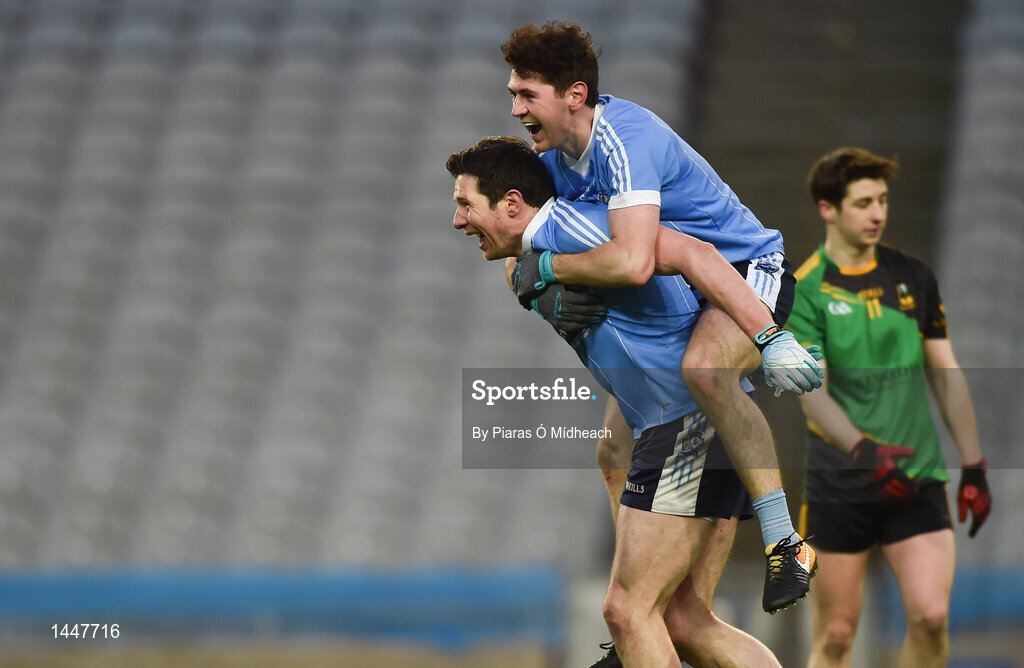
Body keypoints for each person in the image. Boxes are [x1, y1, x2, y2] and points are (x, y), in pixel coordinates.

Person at [499, 21, 817, 616]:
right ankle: (640, 601)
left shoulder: (625, 141)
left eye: (526, 94)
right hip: (689, 292)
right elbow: (526, 243)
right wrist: (530, 273)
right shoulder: (559, 159)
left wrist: (768, 337)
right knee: (611, 448)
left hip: (746, 270)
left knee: (704, 370)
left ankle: (785, 542)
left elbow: (634, 261)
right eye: (513, 93)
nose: (515, 108)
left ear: (574, 94)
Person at [447, 136, 786, 667]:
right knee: (684, 623)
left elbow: (693, 253)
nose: (458, 220)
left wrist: (769, 337)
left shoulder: (585, 225)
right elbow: (521, 262)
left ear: (512, 202)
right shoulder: (540, 241)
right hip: (679, 425)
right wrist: (536, 289)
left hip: (685, 427)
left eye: (466, 204)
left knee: (628, 612)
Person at [788, 146, 992, 668]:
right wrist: (865, 451)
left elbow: (945, 374)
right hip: (843, 483)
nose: (878, 213)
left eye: (882, 200)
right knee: (835, 635)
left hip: (916, 477)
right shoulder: (806, 291)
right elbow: (814, 397)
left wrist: (973, 464)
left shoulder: (913, 277)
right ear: (827, 209)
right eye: (863, 203)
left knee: (930, 618)